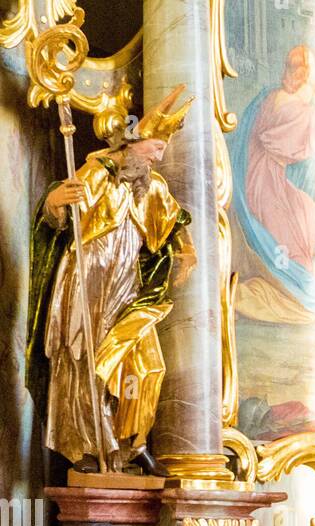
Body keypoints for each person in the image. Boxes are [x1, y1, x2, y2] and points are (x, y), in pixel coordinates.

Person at [26, 87, 196, 472]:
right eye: (154, 149)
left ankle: (131, 443)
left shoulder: (151, 188)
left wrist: (188, 251)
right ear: (133, 145)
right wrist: (55, 203)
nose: (159, 157)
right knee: (83, 361)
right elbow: (59, 209)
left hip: (126, 288)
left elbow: (174, 224)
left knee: (146, 365)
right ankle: (90, 446)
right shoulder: (98, 171)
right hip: (87, 280)